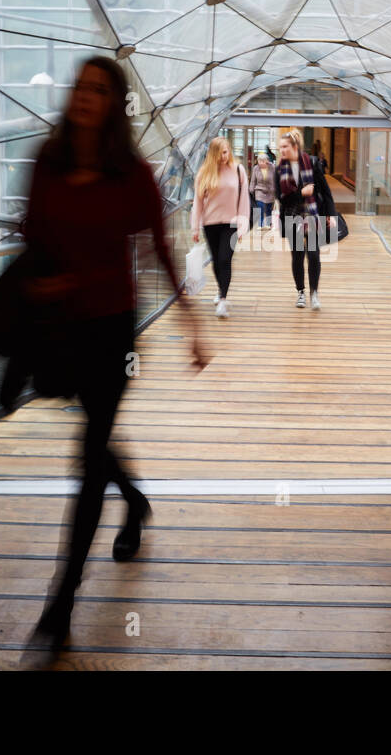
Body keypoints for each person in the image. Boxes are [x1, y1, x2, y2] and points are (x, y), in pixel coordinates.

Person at [20, 56, 208, 664]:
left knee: (87, 452)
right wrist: (42, 284)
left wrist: (191, 325)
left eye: (98, 90)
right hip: (57, 329)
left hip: (109, 332)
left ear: (114, 105)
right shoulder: (46, 163)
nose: (84, 96)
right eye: (80, 85)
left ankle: (61, 603)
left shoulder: (131, 174)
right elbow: (30, 235)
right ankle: (135, 500)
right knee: (95, 442)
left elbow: (159, 250)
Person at [274, 128, 338, 310]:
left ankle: (314, 293)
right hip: (291, 216)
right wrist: (301, 193)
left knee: (314, 255)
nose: (281, 150)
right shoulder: (280, 169)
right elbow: (281, 198)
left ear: (294, 146)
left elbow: (325, 191)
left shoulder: (312, 163)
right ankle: (301, 292)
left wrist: (331, 215)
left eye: (285, 146)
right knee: (297, 256)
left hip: (312, 215)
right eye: (280, 147)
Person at [191, 136, 250, 319]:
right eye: (219, 153)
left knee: (225, 259)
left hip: (231, 223)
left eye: (226, 152)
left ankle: (223, 300)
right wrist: (195, 227)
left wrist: (242, 225)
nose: (223, 156)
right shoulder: (204, 173)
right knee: (216, 261)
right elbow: (198, 202)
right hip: (210, 223)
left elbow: (244, 200)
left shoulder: (238, 170)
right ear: (212, 154)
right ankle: (220, 289)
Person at [250, 152, 276, 230]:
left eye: (262, 161)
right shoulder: (256, 168)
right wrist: (251, 190)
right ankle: (260, 224)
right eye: (259, 161)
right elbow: (253, 180)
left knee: (268, 209)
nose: (260, 163)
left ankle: (268, 223)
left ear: (266, 161)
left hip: (270, 191)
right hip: (259, 190)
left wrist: (277, 190)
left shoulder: (272, 167)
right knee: (260, 207)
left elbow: (276, 179)